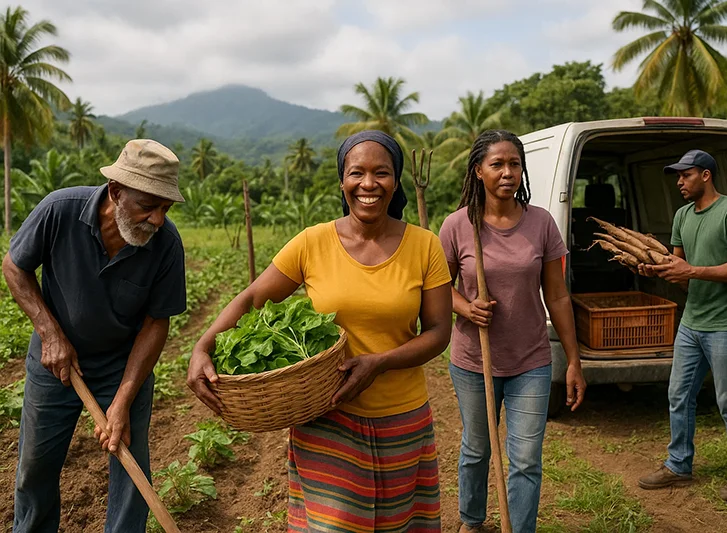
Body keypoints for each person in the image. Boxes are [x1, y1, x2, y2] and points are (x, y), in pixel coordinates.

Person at [187, 130, 453, 532]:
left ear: (395, 181)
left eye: (381, 173)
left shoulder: (425, 246)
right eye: (356, 173)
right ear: (341, 180)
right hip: (326, 416)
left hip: (401, 418)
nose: (368, 184)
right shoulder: (313, 242)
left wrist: (380, 363)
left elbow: (438, 332)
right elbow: (252, 297)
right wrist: (201, 347)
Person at [3, 139, 187, 533]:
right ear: (116, 192)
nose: (156, 220)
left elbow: (157, 323)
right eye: (147, 206)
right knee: (35, 464)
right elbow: (15, 268)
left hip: (123, 368)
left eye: (164, 209)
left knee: (130, 463)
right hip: (55, 363)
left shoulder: (166, 245)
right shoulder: (59, 211)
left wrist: (122, 399)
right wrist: (50, 333)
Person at [438, 129, 587, 533]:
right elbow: (438, 290)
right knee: (476, 448)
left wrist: (573, 360)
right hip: (473, 360)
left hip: (531, 362)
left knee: (525, 459)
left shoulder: (541, 223)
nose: (507, 172)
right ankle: (471, 521)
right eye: (497, 164)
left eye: (514, 164)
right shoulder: (457, 226)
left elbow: (557, 297)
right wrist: (467, 307)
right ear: (478, 171)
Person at [638, 149, 727, 502]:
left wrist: (692, 271)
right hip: (692, 322)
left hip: (725, 325)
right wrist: (657, 269)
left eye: (686, 175)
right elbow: (681, 273)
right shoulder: (682, 216)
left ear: (706, 175)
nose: (679, 182)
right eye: (677, 176)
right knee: (678, 395)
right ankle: (679, 465)